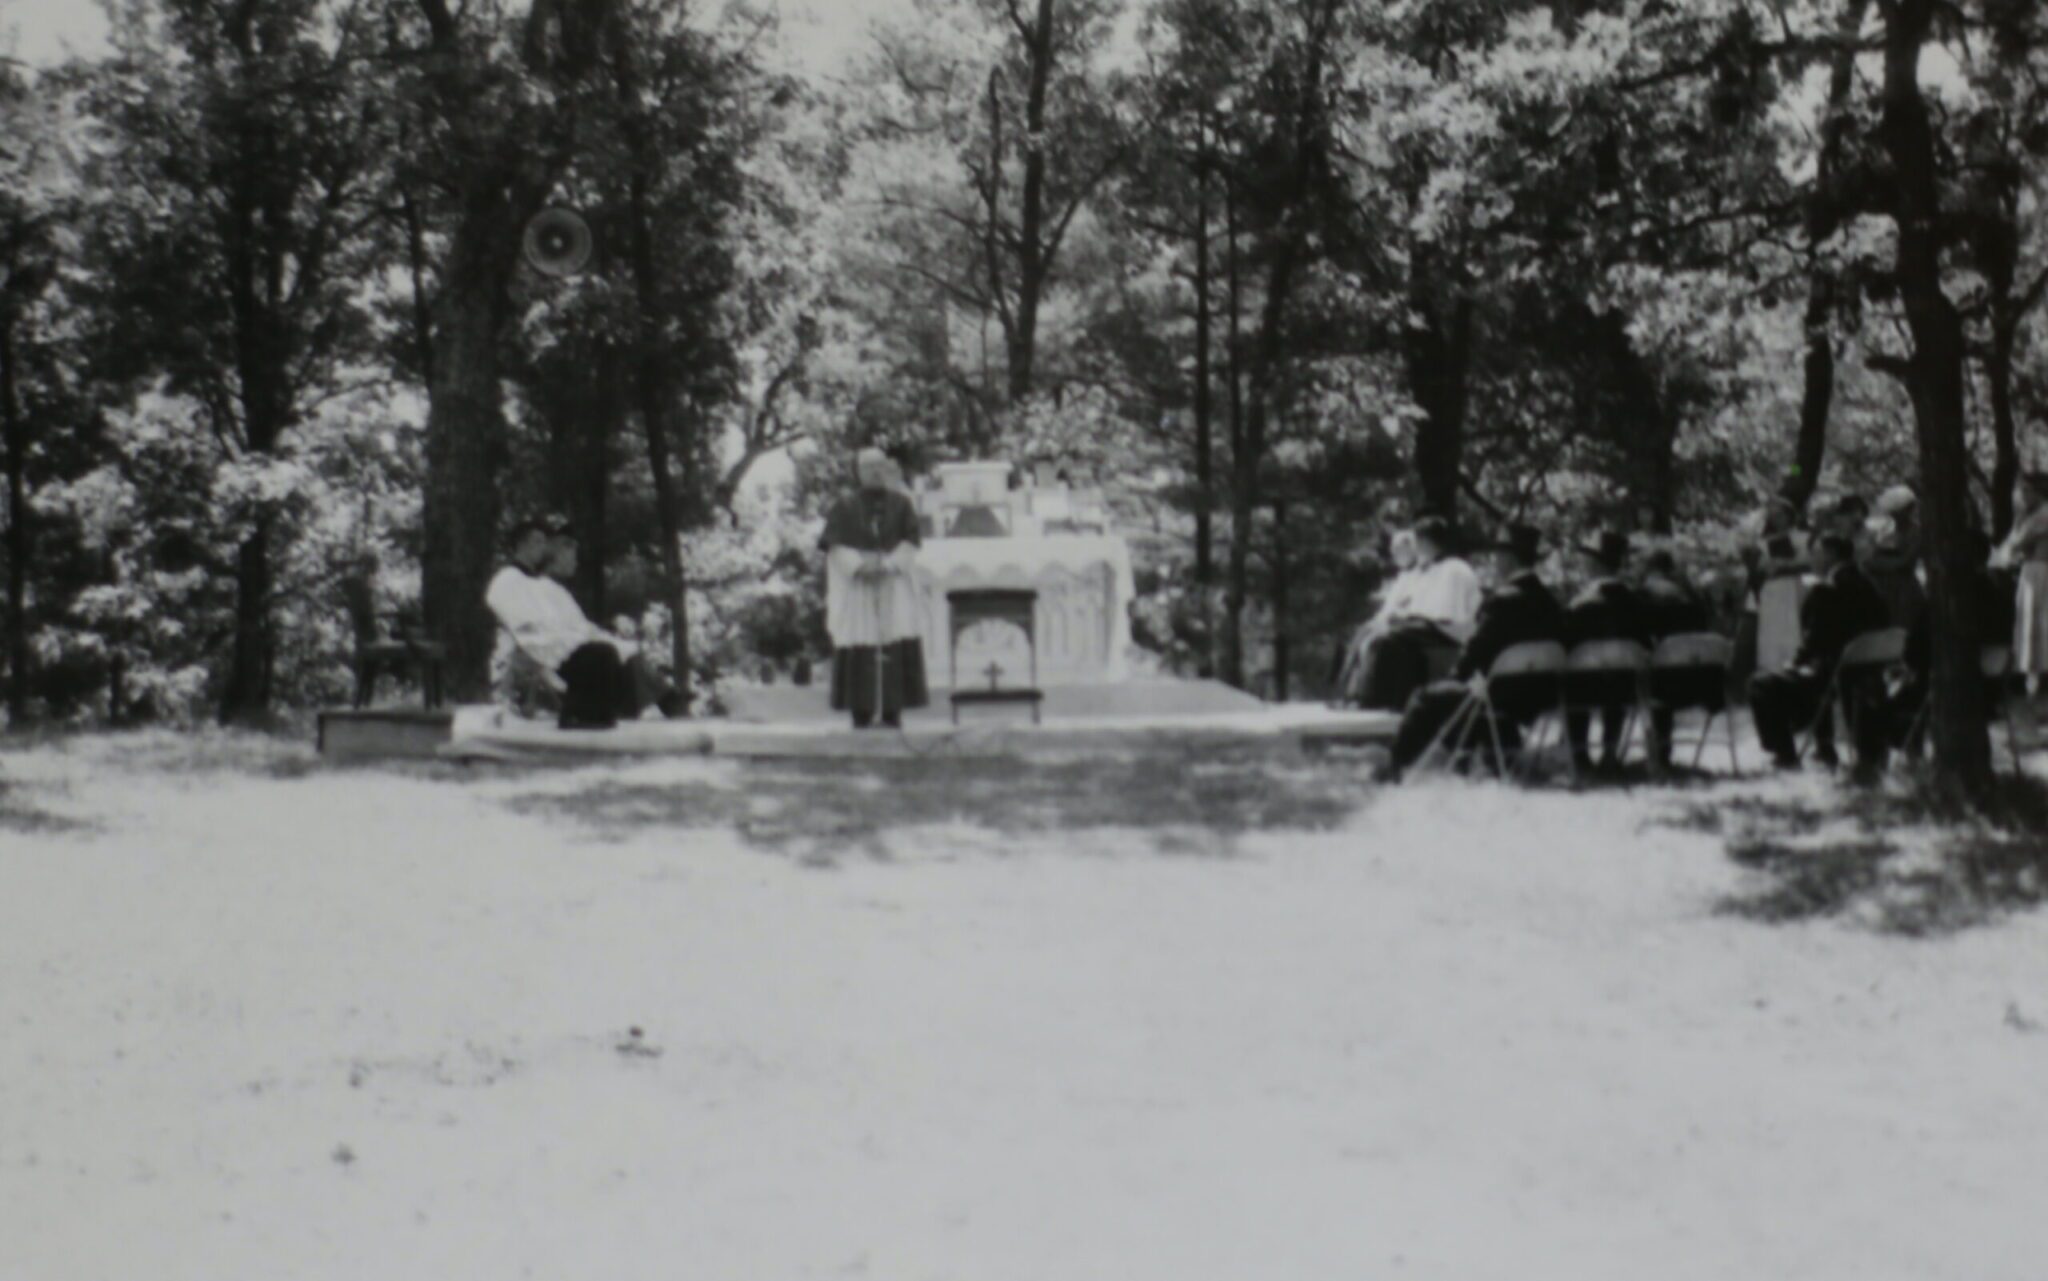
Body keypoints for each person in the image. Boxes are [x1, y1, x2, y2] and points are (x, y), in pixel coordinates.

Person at [1384, 524, 1565, 780]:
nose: (1494, 560)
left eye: (1498, 554)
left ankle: (1396, 766)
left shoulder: (1503, 601)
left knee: (1427, 697)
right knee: (1466, 700)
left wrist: (1455, 676)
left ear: (1509, 559)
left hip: (1500, 700)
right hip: (1540, 700)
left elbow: (1476, 651)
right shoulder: (1551, 603)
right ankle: (1473, 760)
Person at [1851, 527, 2014, 783]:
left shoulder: (1946, 597)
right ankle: (1909, 754)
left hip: (1947, 685)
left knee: (1872, 698)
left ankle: (1870, 768)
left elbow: (1917, 648)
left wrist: (1907, 667)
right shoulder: (1999, 594)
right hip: (1989, 687)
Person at [486, 520, 678, 728]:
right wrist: (558, 635)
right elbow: (524, 621)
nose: (542, 547)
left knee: (615, 650)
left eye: (543, 542)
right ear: (520, 544)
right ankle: (586, 715)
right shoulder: (508, 579)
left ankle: (621, 714)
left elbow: (564, 621)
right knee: (600, 652)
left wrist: (582, 633)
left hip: (558, 638)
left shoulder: (539, 583)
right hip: (537, 643)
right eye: (537, 542)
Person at [1747, 533, 1891, 770]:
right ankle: (1824, 748)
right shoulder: (1870, 586)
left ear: (1831, 554)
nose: (1811, 558)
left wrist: (1796, 662)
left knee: (1761, 684)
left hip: (1834, 672)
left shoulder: (1826, 590)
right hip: (1869, 669)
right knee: (1813, 674)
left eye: (1815, 552)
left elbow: (1817, 639)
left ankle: (1786, 753)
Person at [821, 447, 930, 729]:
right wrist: (859, 566)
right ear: (858, 471)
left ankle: (893, 710)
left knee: (894, 637)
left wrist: (890, 565)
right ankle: (861, 710)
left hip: (892, 581)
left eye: (880, 465)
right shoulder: (844, 506)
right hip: (859, 585)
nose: (876, 471)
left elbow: (911, 541)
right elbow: (834, 545)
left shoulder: (902, 504)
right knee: (861, 637)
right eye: (869, 466)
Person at [1352, 516, 1483, 711]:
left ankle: (1372, 699)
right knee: (1388, 638)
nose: (1416, 548)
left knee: (1391, 636)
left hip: (1451, 630)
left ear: (1427, 542)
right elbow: (1420, 608)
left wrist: (1409, 619)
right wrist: (1404, 618)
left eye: (1418, 542)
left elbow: (1446, 614)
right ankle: (1388, 699)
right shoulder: (1430, 569)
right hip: (1430, 627)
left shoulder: (1455, 568)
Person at [1563, 531, 1652, 774]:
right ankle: (1610, 751)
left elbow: (1566, 646)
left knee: (1573, 676)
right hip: (1625, 690)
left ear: (1595, 565)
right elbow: (1645, 644)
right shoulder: (1636, 603)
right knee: (1621, 671)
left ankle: (1580, 755)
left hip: (1583, 689)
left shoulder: (1580, 605)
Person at [1330, 528, 1421, 704]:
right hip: (1387, 619)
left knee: (1366, 641)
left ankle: (1359, 694)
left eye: (1399, 550)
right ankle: (1346, 691)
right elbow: (1389, 604)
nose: (1395, 555)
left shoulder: (1419, 575)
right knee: (1356, 639)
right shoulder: (1404, 575)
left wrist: (1388, 616)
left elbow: (1409, 603)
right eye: (1394, 551)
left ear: (1412, 549)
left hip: (1403, 620)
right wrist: (1378, 618)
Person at [1993, 470, 2048, 694]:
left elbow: (2016, 543)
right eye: (2021, 490)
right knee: (2029, 623)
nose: (2023, 495)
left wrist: (2015, 534)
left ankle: (2037, 677)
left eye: (2027, 490)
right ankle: (2031, 677)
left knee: (2038, 622)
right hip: (2030, 571)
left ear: (2039, 491)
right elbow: (2008, 547)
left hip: (2040, 572)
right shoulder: (2028, 516)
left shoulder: (2043, 515)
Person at [1864, 485, 1927, 628]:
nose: (1895, 515)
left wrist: (1878, 564)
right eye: (1893, 512)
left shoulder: (1916, 532)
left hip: (1904, 588)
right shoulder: (1885, 530)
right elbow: (1872, 555)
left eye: (1899, 511)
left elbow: (1906, 562)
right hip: (1882, 588)